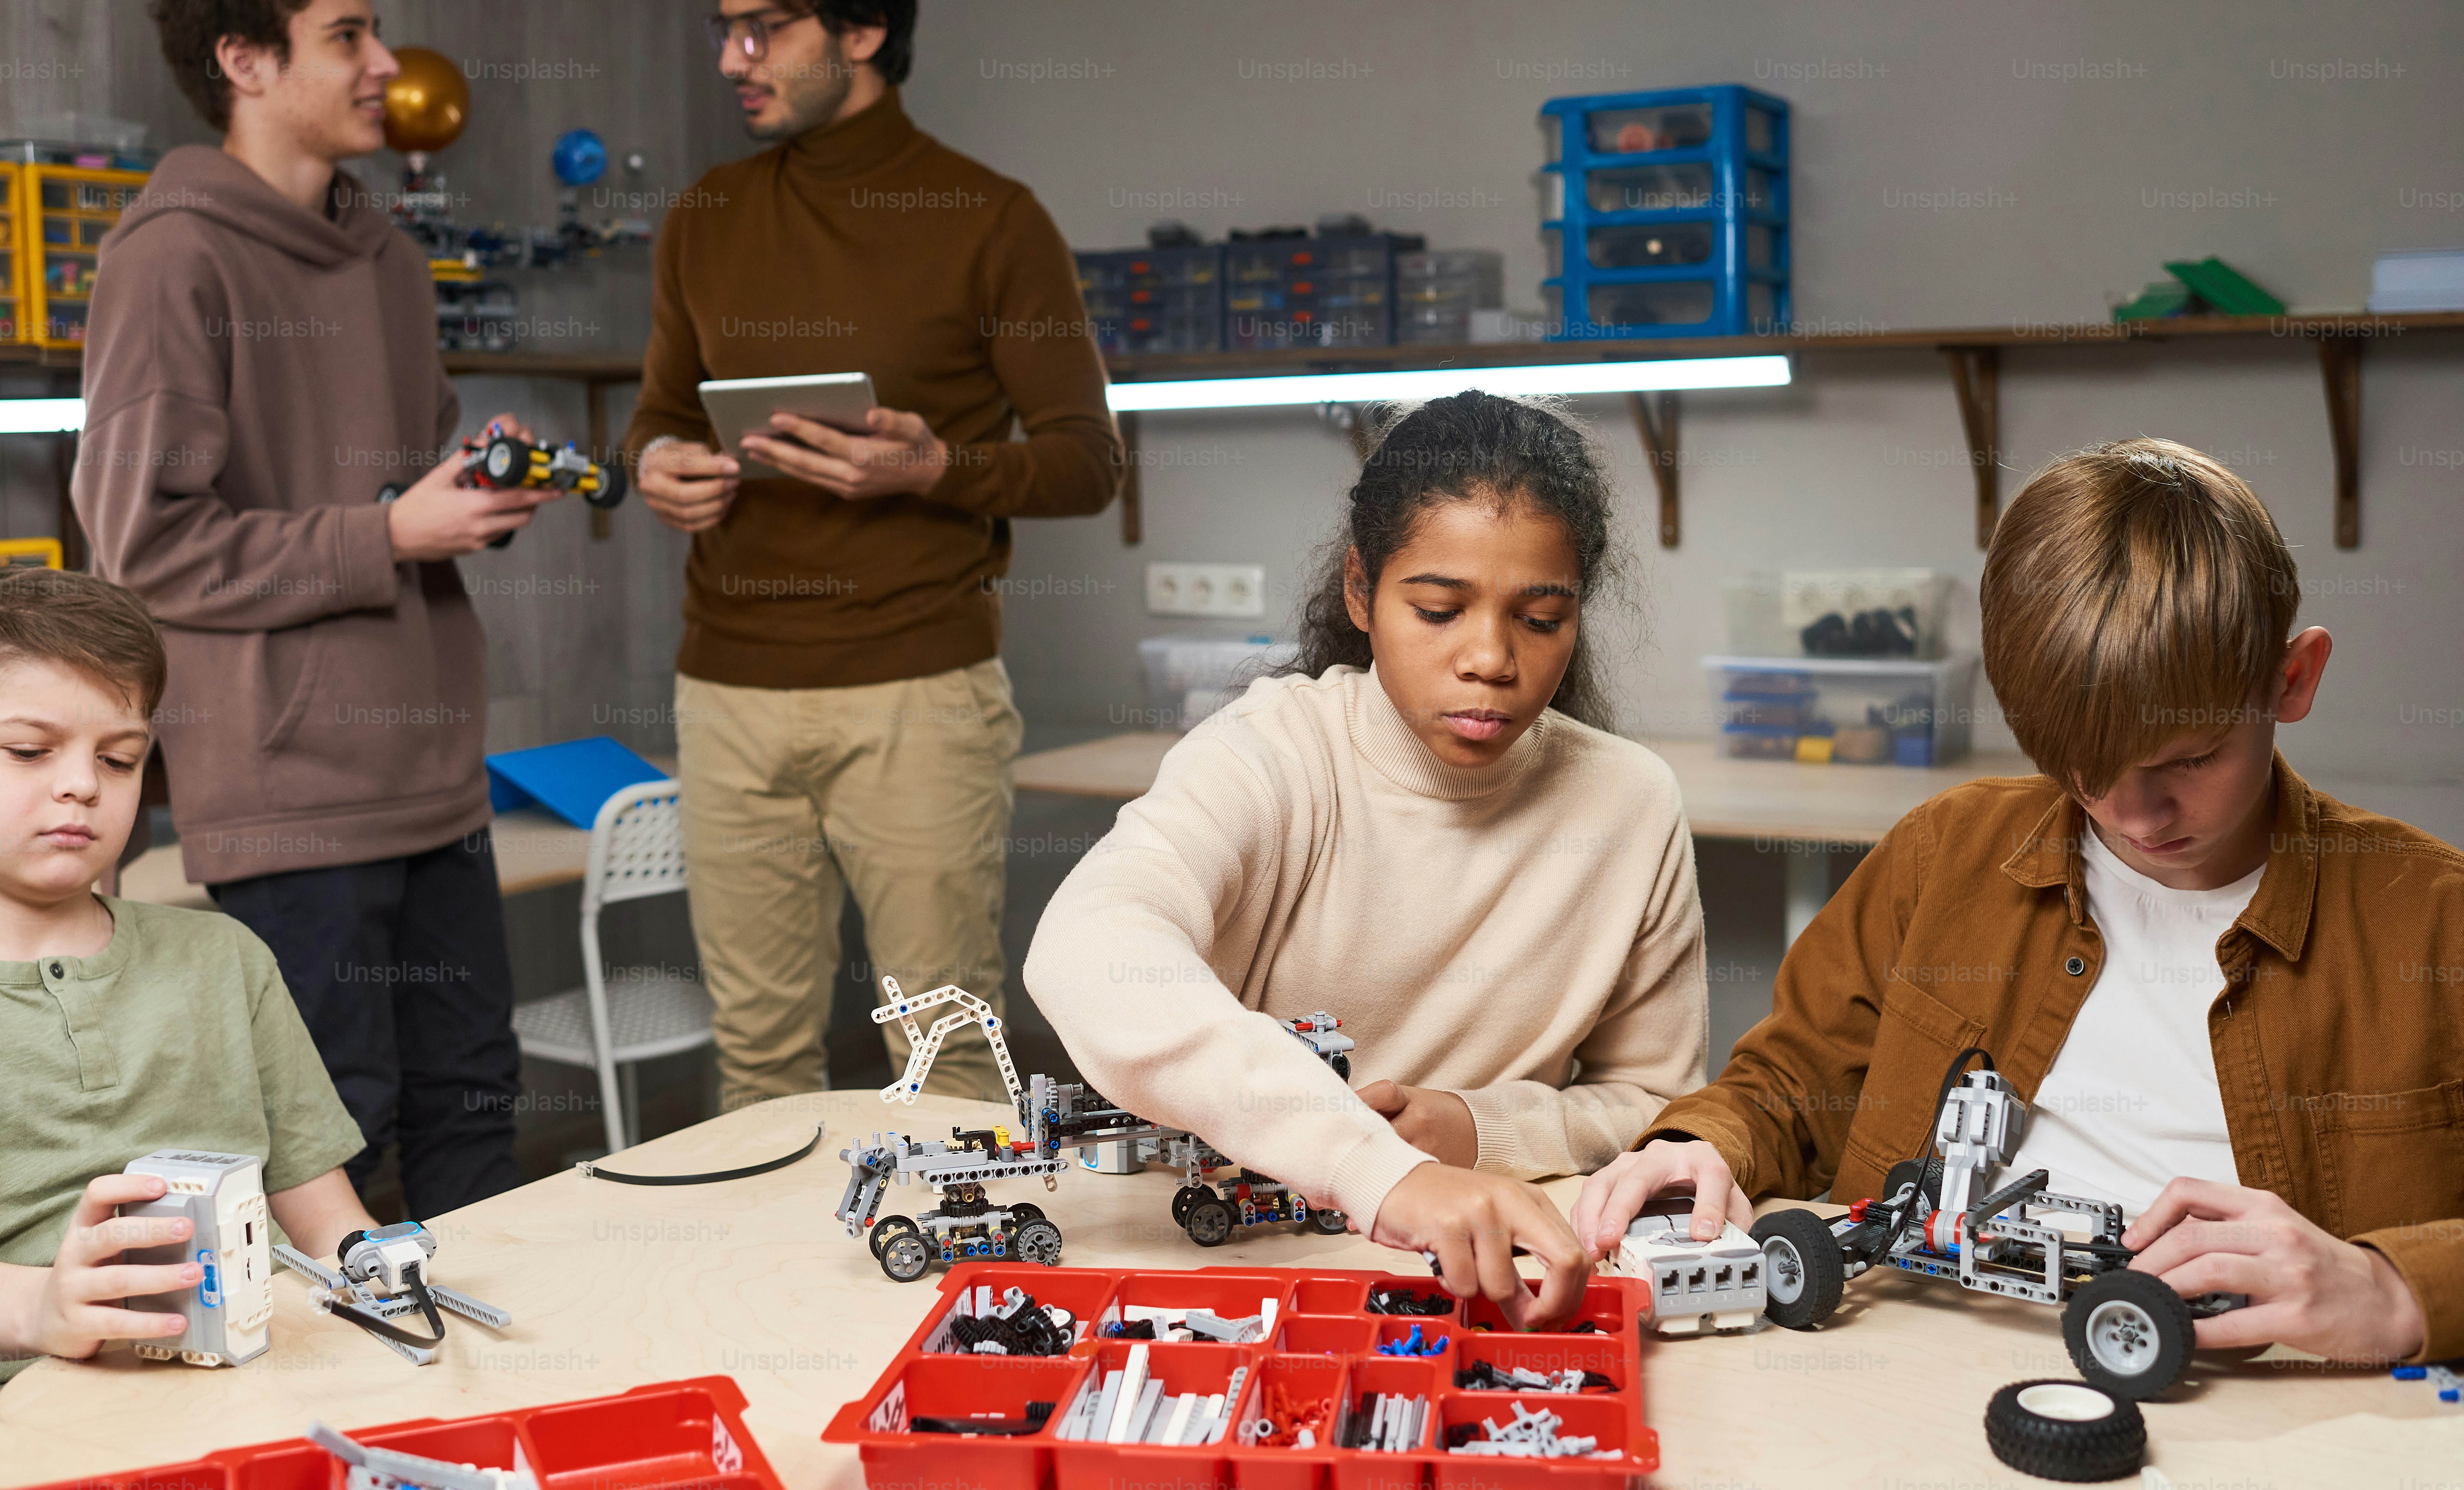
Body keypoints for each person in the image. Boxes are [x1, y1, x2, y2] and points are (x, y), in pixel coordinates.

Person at [1576, 438, 2461, 1367]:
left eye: (2189, 761)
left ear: (2293, 679)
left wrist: (2397, 1289)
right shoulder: (1945, 856)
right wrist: (1704, 1143)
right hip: (1904, 1385)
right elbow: (1789, 1086)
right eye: (2082, 768)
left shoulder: (2433, 922)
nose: (2134, 812)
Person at [1025, 391, 1708, 1328]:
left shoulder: (1629, 803)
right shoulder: (1272, 754)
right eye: (1438, 610)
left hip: (1491, 1281)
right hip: (1244, 1266)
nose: (1491, 659)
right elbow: (1087, 949)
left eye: (1541, 619)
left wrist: (1475, 1132)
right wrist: (1378, 1169)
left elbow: (1662, 1104)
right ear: (1361, 591)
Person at [75, 0, 552, 1218]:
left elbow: (403, 472)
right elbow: (143, 546)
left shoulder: (391, 260)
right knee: (334, 1143)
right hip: (290, 797)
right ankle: (350, 1425)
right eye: (347, 33)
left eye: (377, 28)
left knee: (474, 1106)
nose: (386, 64)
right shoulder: (169, 261)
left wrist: (472, 485)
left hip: (435, 777)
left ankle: (495, 1414)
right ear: (245, 60)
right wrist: (389, 531)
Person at [624, 0, 1119, 1111]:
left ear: (861, 32)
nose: (735, 58)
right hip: (728, 691)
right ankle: (769, 1309)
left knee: (943, 1057)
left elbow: (1085, 459)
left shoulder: (993, 219)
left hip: (918, 694)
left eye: (765, 29)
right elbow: (660, 415)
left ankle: (958, 1305)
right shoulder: (704, 216)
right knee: (758, 1066)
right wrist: (656, 466)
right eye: (724, 28)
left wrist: (935, 466)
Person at [0, 568, 374, 1419]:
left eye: (118, 758)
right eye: (31, 751)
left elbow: (329, 1219)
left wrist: (380, 1270)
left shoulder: (224, 958)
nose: (83, 783)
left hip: (250, 1387)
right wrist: (44, 1307)